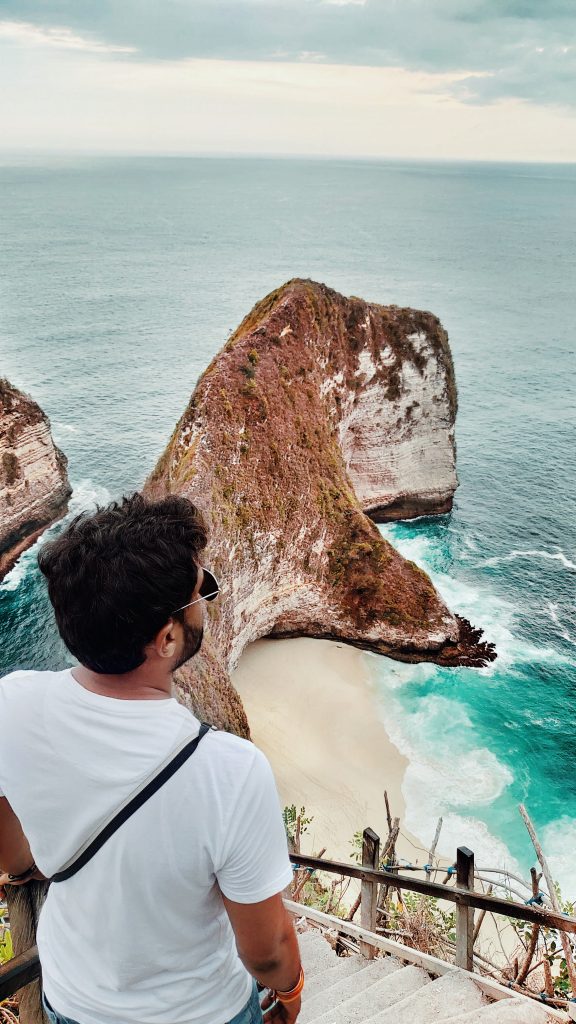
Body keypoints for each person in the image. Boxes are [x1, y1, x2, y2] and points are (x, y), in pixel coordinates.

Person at [0, 493, 303, 1024]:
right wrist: (292, 990)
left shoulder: (12, 702)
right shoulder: (229, 770)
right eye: (200, 592)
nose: (207, 600)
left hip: (72, 1000)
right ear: (166, 637)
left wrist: (22, 866)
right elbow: (267, 950)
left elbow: (5, 818)